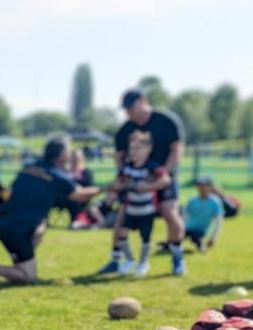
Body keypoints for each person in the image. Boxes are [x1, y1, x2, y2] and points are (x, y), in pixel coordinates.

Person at [0, 136, 99, 284]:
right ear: (61, 155)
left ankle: (19, 268)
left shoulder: (29, 168)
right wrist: (107, 189)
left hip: (6, 223)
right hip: (15, 230)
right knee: (28, 277)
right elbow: (78, 195)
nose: (70, 154)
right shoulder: (56, 175)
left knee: (41, 227)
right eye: (68, 150)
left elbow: (9, 191)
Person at [99, 89, 187, 275]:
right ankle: (115, 260)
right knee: (122, 216)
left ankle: (177, 258)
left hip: (163, 176)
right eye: (126, 109)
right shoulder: (125, 130)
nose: (128, 112)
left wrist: (162, 174)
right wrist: (124, 179)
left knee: (170, 213)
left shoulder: (166, 121)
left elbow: (176, 150)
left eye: (131, 107)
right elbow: (120, 157)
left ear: (143, 101)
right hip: (134, 178)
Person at [106, 131, 169, 276]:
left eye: (137, 149)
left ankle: (143, 263)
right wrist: (111, 194)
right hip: (131, 209)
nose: (133, 152)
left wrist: (148, 187)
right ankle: (129, 260)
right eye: (131, 149)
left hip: (147, 210)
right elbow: (118, 182)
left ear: (148, 150)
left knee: (145, 238)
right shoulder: (127, 168)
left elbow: (165, 180)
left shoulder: (152, 167)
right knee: (122, 233)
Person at [64, 149, 105, 229]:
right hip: (70, 199)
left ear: (81, 159)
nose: (75, 161)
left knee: (89, 205)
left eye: (77, 158)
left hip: (85, 198)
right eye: (73, 158)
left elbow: (90, 185)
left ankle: (96, 222)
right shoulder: (65, 173)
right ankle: (86, 222)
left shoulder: (86, 172)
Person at [183, 177, 224, 253]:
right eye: (199, 185)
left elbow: (218, 221)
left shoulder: (215, 202)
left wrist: (213, 238)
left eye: (205, 185)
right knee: (176, 237)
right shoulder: (192, 200)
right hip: (187, 228)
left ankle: (201, 246)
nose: (202, 188)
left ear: (210, 187)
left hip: (201, 230)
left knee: (196, 236)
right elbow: (184, 216)